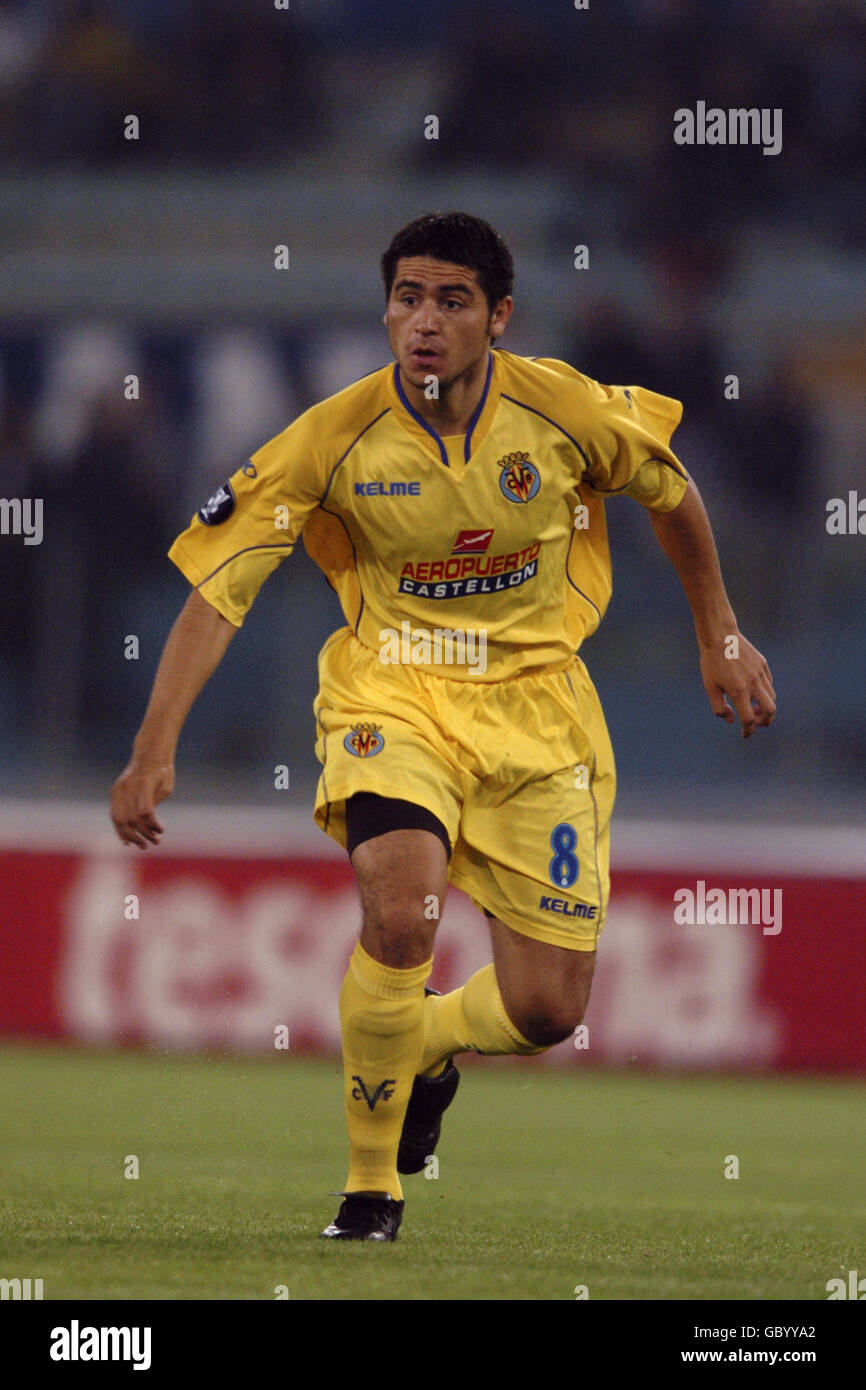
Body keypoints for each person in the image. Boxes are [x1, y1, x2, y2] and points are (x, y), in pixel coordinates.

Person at [110, 211, 775, 1242]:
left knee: (548, 1010)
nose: (424, 321)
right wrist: (155, 747)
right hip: (394, 694)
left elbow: (669, 487)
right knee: (401, 912)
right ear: (386, 311)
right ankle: (370, 1190)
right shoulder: (332, 436)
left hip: (538, 711)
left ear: (497, 316)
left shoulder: (561, 410)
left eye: (451, 301)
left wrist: (719, 632)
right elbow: (218, 591)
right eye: (407, 298)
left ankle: (419, 1041)